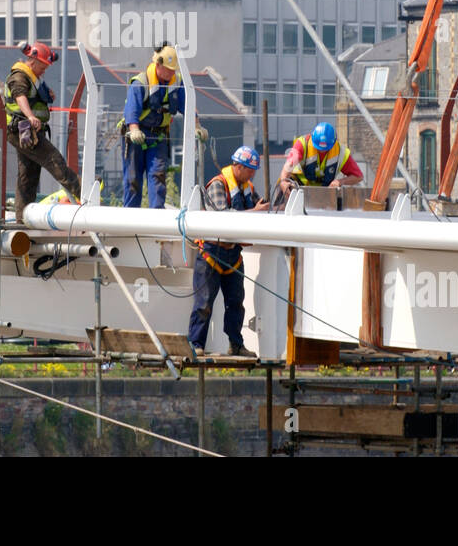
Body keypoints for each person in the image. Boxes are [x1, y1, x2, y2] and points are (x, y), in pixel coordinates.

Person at [189, 145, 266, 357]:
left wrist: (264, 207)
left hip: (232, 256)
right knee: (203, 304)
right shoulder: (217, 185)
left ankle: (236, 344)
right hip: (211, 254)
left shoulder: (246, 186)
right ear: (238, 167)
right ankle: (195, 343)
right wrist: (256, 212)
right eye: (250, 170)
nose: (252, 174)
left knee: (235, 303)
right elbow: (225, 218)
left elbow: (256, 206)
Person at [121, 44, 205, 208]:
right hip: (135, 136)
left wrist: (196, 125)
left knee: (158, 176)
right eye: (168, 69)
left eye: (173, 69)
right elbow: (132, 109)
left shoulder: (177, 83)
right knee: (133, 180)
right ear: (157, 65)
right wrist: (134, 129)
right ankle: (129, 219)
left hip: (158, 137)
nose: (171, 73)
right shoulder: (141, 83)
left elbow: (187, 106)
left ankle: (156, 217)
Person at [4, 42, 81, 220]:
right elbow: (20, 95)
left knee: (28, 174)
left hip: (27, 131)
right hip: (23, 130)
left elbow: (32, 96)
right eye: (43, 65)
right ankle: (84, 196)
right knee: (54, 160)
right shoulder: (19, 76)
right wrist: (30, 116)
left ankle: (22, 219)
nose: (45, 69)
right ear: (33, 61)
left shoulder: (32, 77)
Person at [276, 121, 363, 200]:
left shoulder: (341, 153)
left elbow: (358, 176)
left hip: (324, 192)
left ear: (334, 143)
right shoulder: (301, 144)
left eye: (325, 149)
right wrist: (284, 181)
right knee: (284, 187)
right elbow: (288, 166)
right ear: (312, 138)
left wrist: (340, 182)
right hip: (298, 186)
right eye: (318, 148)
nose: (322, 151)